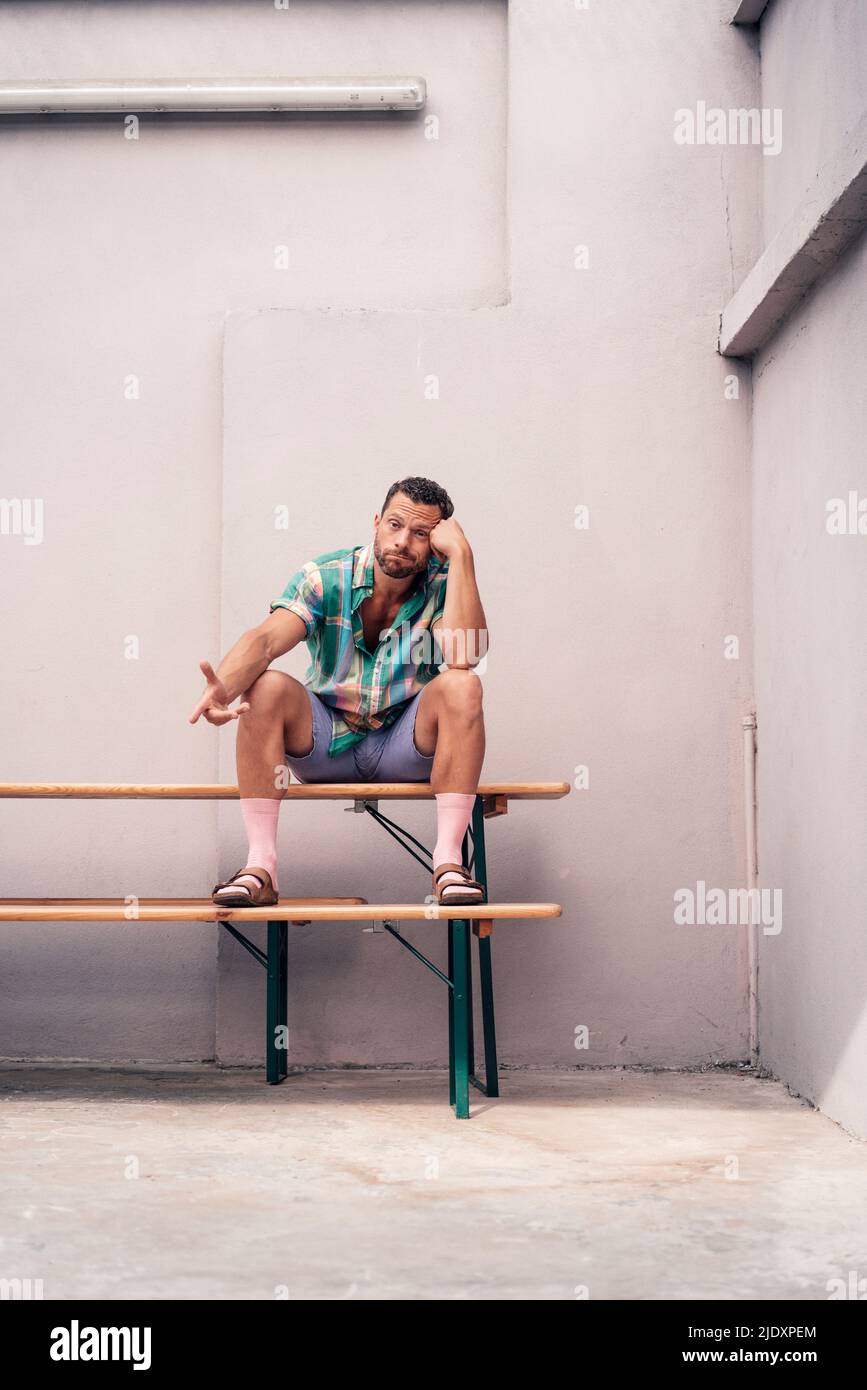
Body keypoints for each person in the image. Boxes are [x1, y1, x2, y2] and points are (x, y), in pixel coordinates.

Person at [189, 476, 488, 908]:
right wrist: (223, 689)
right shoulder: (326, 577)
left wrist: (463, 556)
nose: (403, 542)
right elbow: (268, 640)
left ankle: (448, 865)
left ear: (436, 543)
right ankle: (261, 866)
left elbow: (464, 654)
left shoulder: (442, 582)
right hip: (326, 743)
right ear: (376, 522)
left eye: (421, 533)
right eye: (395, 525)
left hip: (403, 746)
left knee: (463, 685)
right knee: (267, 686)